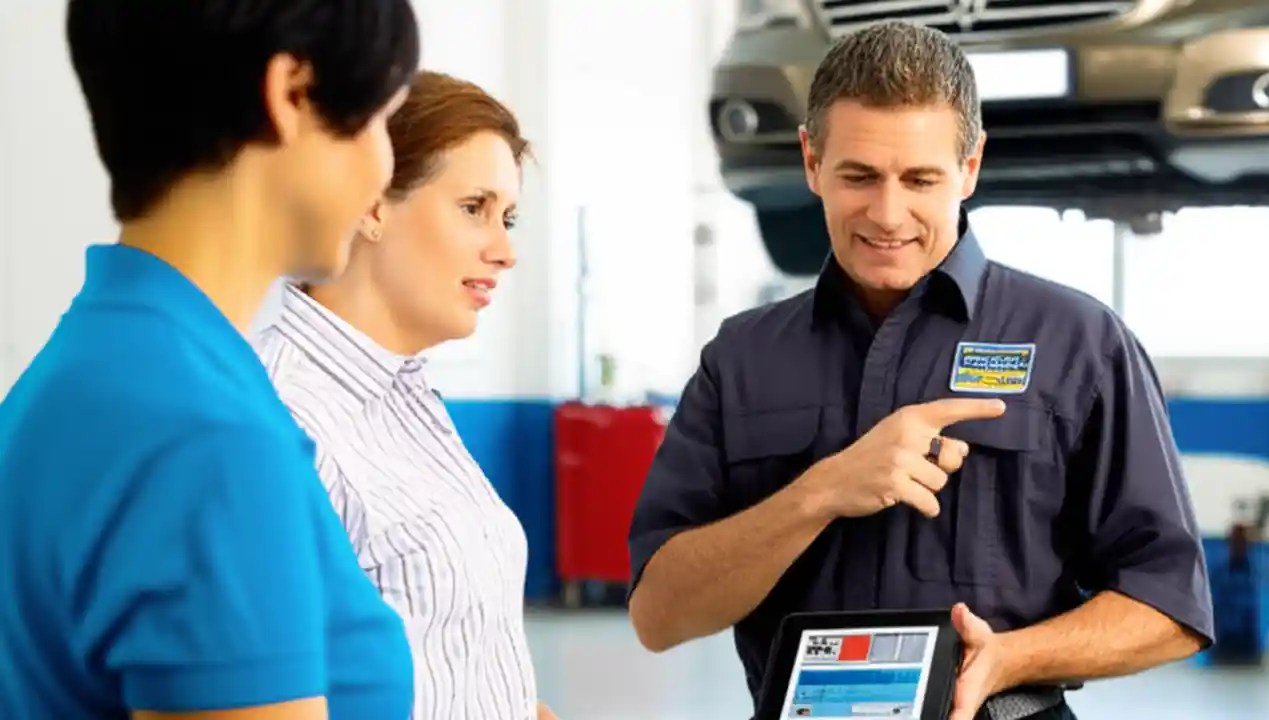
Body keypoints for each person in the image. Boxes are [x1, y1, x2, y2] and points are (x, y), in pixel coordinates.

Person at [626, 19, 1213, 720]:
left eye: (920, 179)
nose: (887, 213)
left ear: (970, 167)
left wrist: (1013, 658)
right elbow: (660, 615)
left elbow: (1171, 604)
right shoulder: (742, 361)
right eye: (859, 176)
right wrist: (820, 492)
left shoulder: (1078, 344)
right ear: (812, 161)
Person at [0, 2, 419, 719]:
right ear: (290, 94)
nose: (384, 170)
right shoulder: (207, 432)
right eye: (384, 119)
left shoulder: (84, 371)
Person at [255, 70, 557, 720]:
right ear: (369, 204)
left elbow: (446, 649)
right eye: (473, 207)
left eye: (508, 217)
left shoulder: (409, 399)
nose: (505, 250)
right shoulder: (283, 422)